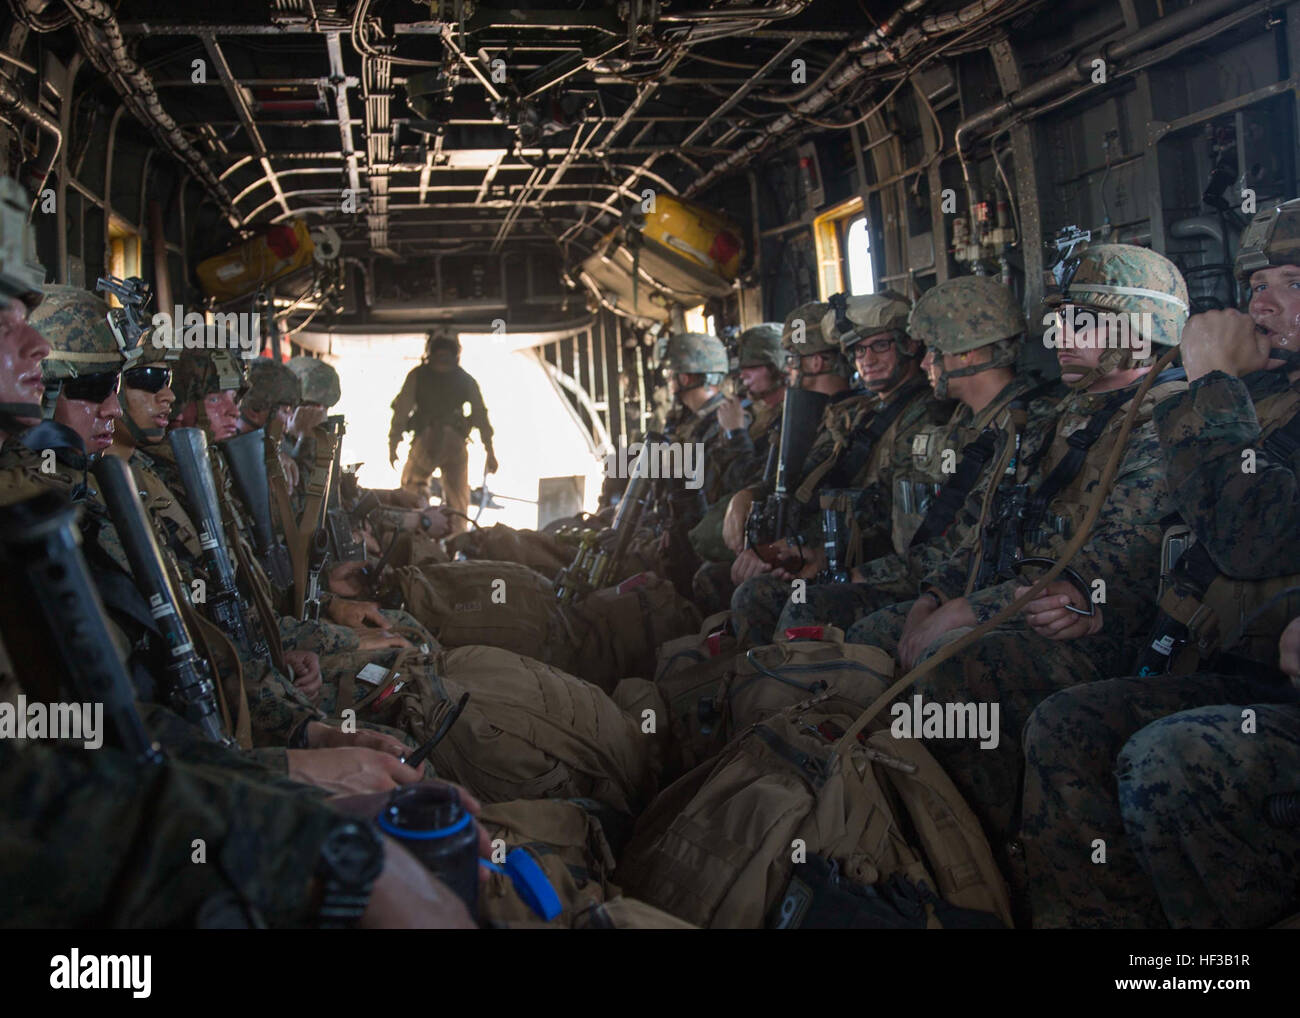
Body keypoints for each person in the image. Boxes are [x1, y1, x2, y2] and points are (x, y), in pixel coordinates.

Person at [842, 245, 1189, 917]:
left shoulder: (1167, 422)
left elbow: (1115, 565)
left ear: (1140, 330)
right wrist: (932, 599)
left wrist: (969, 612)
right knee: (870, 644)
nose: (1061, 337)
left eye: (1082, 323)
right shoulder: (1050, 420)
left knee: (947, 676)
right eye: (1059, 321)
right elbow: (974, 530)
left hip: (1104, 634)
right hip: (1006, 610)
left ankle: (994, 873)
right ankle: (911, 861)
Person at [1021, 199, 1300, 928]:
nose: (1259, 301)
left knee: (1164, 760)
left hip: (1264, 684)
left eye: (1290, 281)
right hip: (1225, 661)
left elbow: (1248, 536)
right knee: (1066, 726)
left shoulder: (1220, 393)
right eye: (1257, 281)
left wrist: (1210, 383)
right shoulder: (1270, 398)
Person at [773, 276, 1063, 636]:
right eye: (859, 351)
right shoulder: (968, 421)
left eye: (931, 350)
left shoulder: (1027, 428)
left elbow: (972, 540)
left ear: (967, 351)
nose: (924, 362)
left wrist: (885, 581)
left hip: (994, 596)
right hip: (944, 579)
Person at [729, 291, 945, 646]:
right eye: (859, 351)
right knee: (754, 592)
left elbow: (900, 524)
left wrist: (824, 559)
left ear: (908, 346)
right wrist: (797, 548)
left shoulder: (924, 418)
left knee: (786, 601)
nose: (868, 360)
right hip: (841, 554)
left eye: (880, 346)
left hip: (888, 568)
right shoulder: (864, 413)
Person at [389, 330, 497, 533]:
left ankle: (416, 535)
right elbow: (481, 415)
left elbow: (401, 411)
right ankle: (457, 542)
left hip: (426, 441)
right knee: (458, 501)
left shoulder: (417, 375)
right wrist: (490, 451)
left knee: (413, 491)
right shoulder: (465, 379)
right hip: (455, 443)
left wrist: (393, 444)